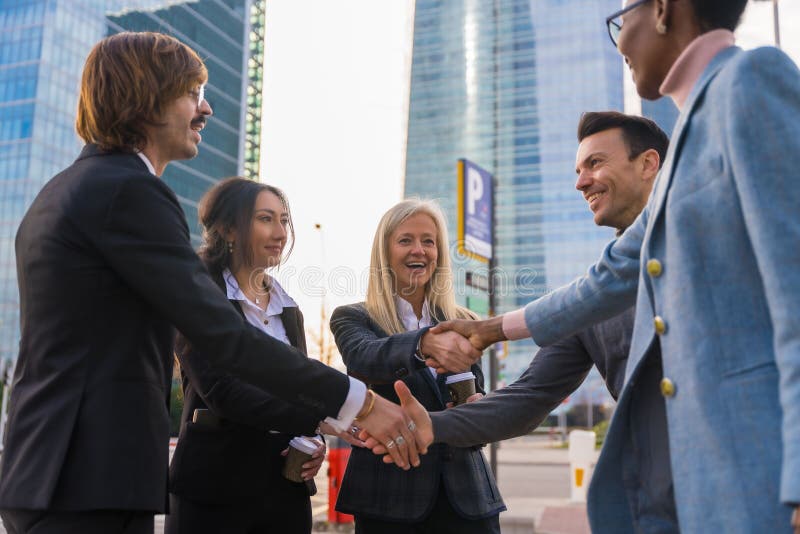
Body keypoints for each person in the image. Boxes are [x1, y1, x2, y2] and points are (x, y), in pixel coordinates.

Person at [401, 1, 800, 532]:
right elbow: (602, 285)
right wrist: (480, 346)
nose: (620, 42)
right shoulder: (686, 149)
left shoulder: (749, 80)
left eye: (621, 19)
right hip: (666, 508)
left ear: (662, 10)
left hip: (759, 484)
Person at [0, 32, 420, 534]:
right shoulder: (129, 191)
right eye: (192, 93)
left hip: (61, 471)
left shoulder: (64, 190)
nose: (206, 109)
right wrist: (360, 403)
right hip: (88, 478)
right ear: (147, 97)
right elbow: (225, 338)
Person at [413, 112, 673, 531]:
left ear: (647, 164)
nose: (581, 182)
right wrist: (425, 425)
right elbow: (527, 398)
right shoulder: (586, 307)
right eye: (578, 169)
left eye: (595, 163)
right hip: (652, 506)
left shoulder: (712, 236)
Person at [166, 178, 333, 534]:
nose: (280, 232)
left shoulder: (289, 308)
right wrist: (318, 417)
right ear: (228, 228)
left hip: (284, 489)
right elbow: (224, 392)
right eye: (265, 218)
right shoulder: (198, 294)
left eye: (284, 220)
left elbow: (299, 385)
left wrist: (313, 443)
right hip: (214, 490)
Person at [330, 199, 505, 533]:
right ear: (385, 252)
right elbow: (364, 357)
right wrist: (423, 342)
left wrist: (477, 408)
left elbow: (475, 394)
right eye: (405, 240)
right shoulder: (353, 317)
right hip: (388, 499)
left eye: (429, 241)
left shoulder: (464, 320)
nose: (419, 250)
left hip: (468, 499)